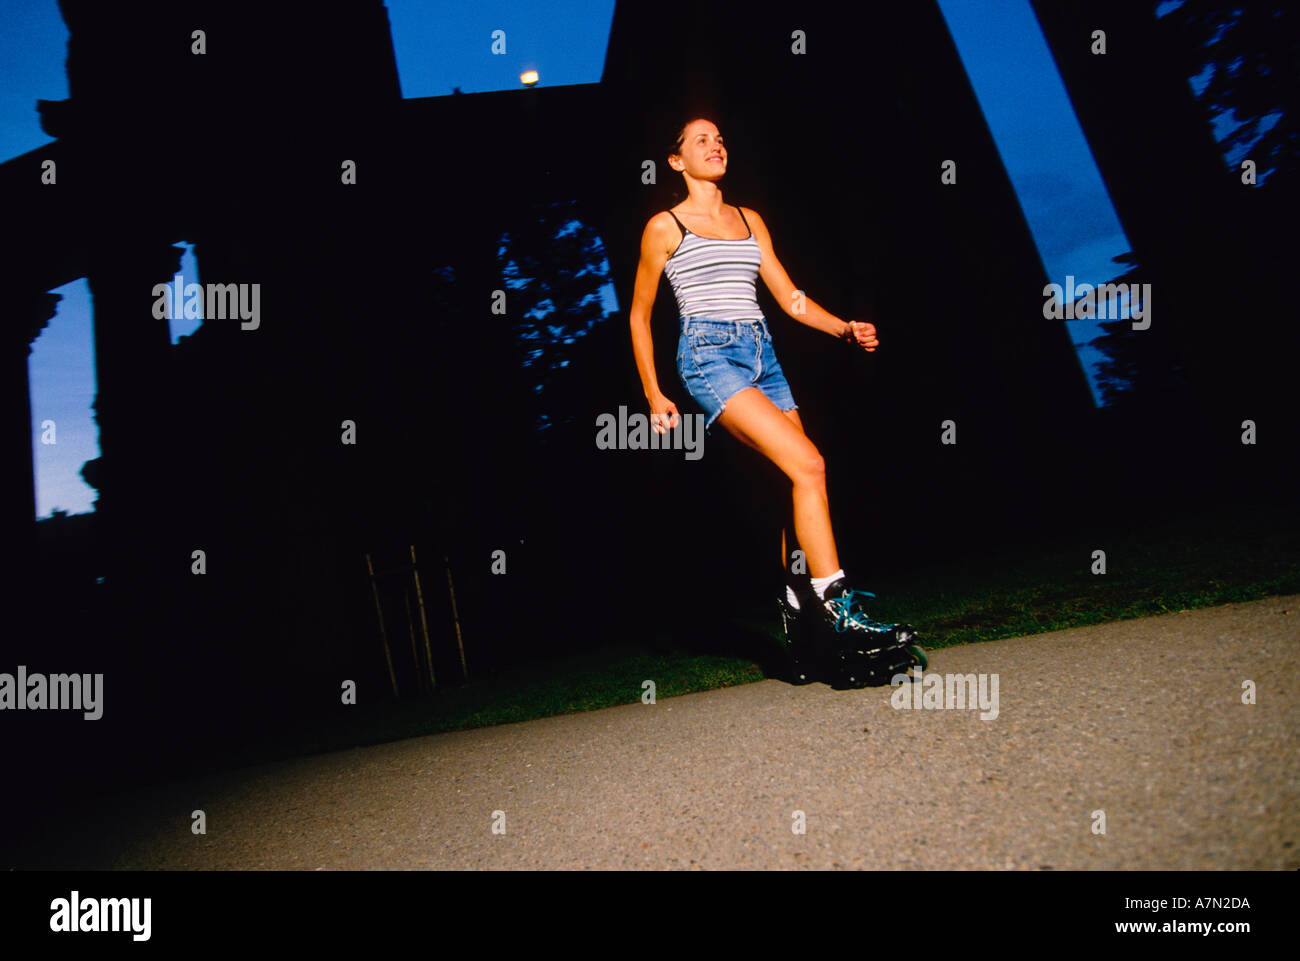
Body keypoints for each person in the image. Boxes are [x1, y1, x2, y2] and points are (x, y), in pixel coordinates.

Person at [627, 117, 922, 686]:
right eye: (700, 140)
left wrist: (843, 328)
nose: (716, 145)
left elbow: (789, 298)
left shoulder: (749, 220)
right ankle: (840, 613)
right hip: (709, 358)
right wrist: (653, 392)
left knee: (796, 482)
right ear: (676, 161)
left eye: (720, 137)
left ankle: (796, 605)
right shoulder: (664, 228)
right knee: (810, 464)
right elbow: (639, 316)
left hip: (764, 356)